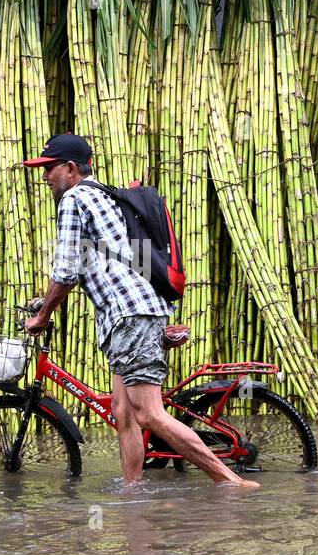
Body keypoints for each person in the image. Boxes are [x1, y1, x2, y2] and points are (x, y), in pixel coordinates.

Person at [21, 133, 258, 488]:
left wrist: (42, 316)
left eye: (48, 169)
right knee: (124, 413)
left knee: (148, 412)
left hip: (132, 315)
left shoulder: (74, 199)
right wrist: (47, 300)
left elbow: (66, 270)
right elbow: (92, 263)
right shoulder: (105, 194)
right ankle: (133, 488)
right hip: (130, 314)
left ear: (70, 169)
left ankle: (230, 482)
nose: (44, 177)